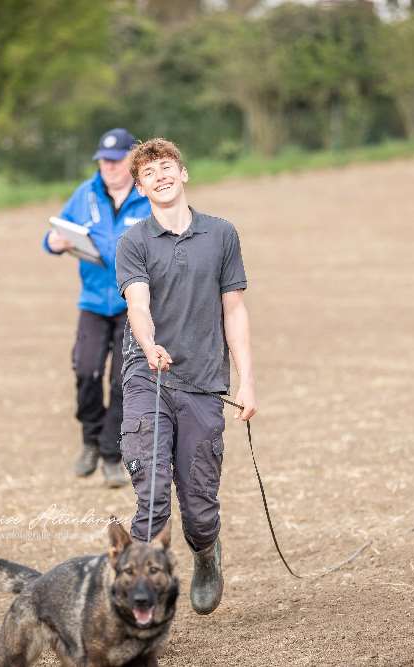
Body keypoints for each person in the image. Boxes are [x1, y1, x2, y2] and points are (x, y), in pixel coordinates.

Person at [114, 137, 257, 615]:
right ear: (139, 187)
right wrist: (150, 344)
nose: (160, 176)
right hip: (147, 377)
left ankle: (206, 554)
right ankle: (140, 605)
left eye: (167, 166)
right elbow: (138, 302)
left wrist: (247, 381)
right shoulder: (133, 241)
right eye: (149, 173)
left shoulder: (221, 234)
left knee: (198, 507)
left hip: (203, 382)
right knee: (152, 495)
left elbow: (234, 311)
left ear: (184, 173)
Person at [44, 128, 152, 488]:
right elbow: (53, 234)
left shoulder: (147, 195)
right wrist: (54, 242)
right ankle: (90, 438)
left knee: (124, 381)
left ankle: (110, 454)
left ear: (132, 160)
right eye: (103, 160)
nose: (107, 166)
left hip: (132, 304)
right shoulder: (85, 193)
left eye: (116, 159)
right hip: (92, 302)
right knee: (86, 370)